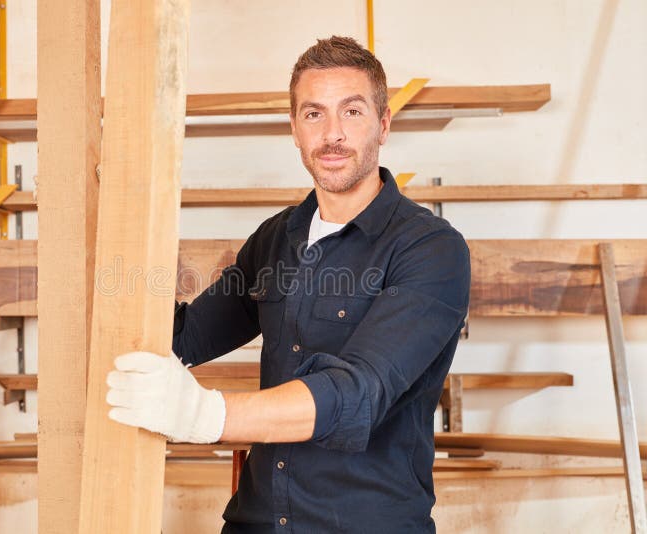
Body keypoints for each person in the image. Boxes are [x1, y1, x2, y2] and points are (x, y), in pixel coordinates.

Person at [106, 35, 471, 533]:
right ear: (295, 130)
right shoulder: (277, 238)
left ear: (383, 125)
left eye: (353, 111)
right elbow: (181, 337)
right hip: (256, 522)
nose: (333, 134)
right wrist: (123, 224)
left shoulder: (431, 250)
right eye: (314, 114)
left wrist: (205, 415)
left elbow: (356, 394)